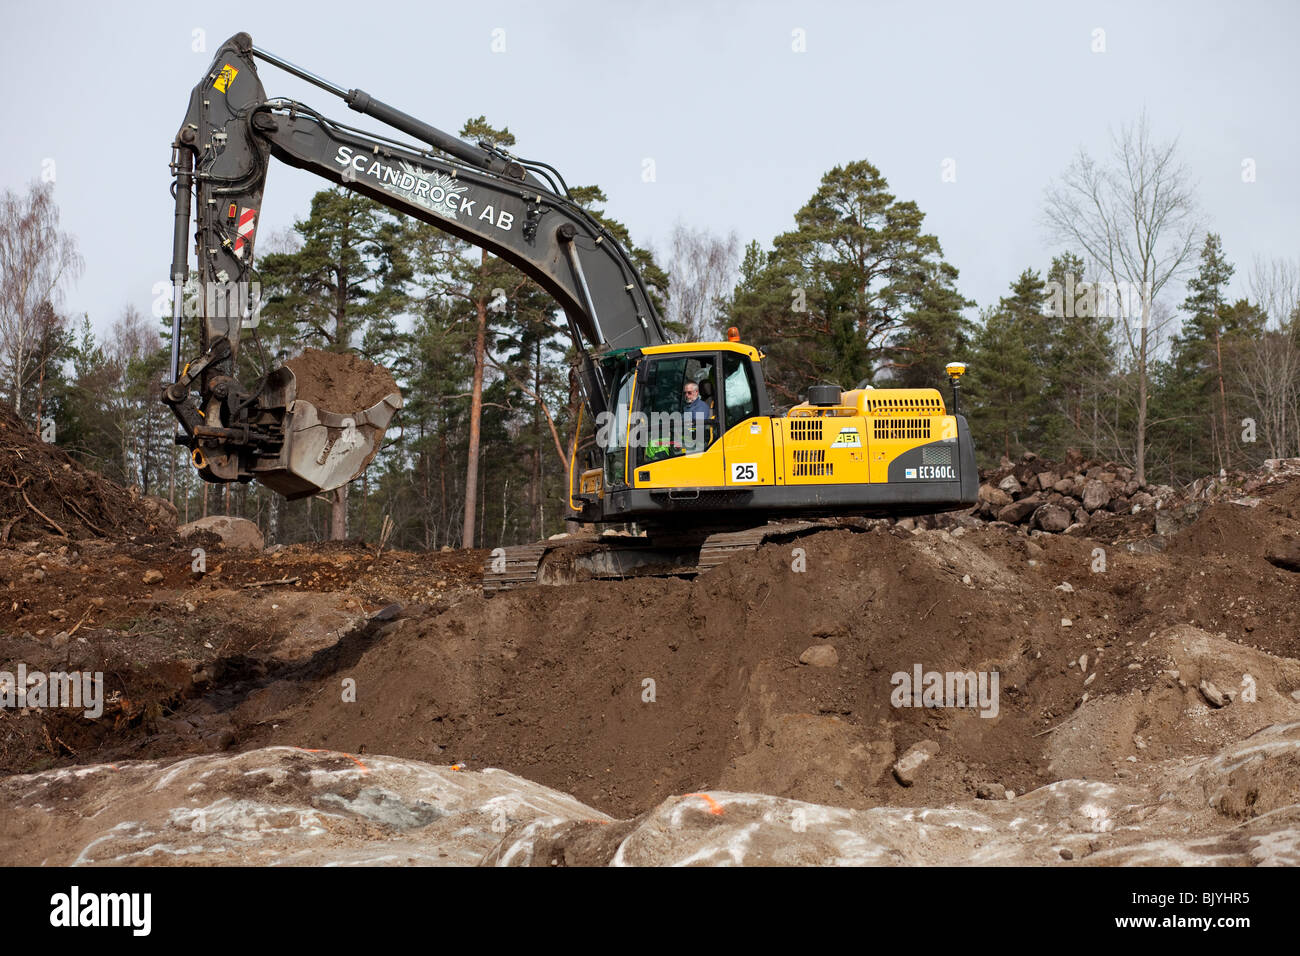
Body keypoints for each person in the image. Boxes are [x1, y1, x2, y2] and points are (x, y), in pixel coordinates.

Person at [683, 380, 710, 451]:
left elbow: (697, 427)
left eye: (689, 393)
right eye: (685, 393)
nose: (686, 395)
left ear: (696, 392)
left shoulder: (701, 407)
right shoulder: (687, 405)